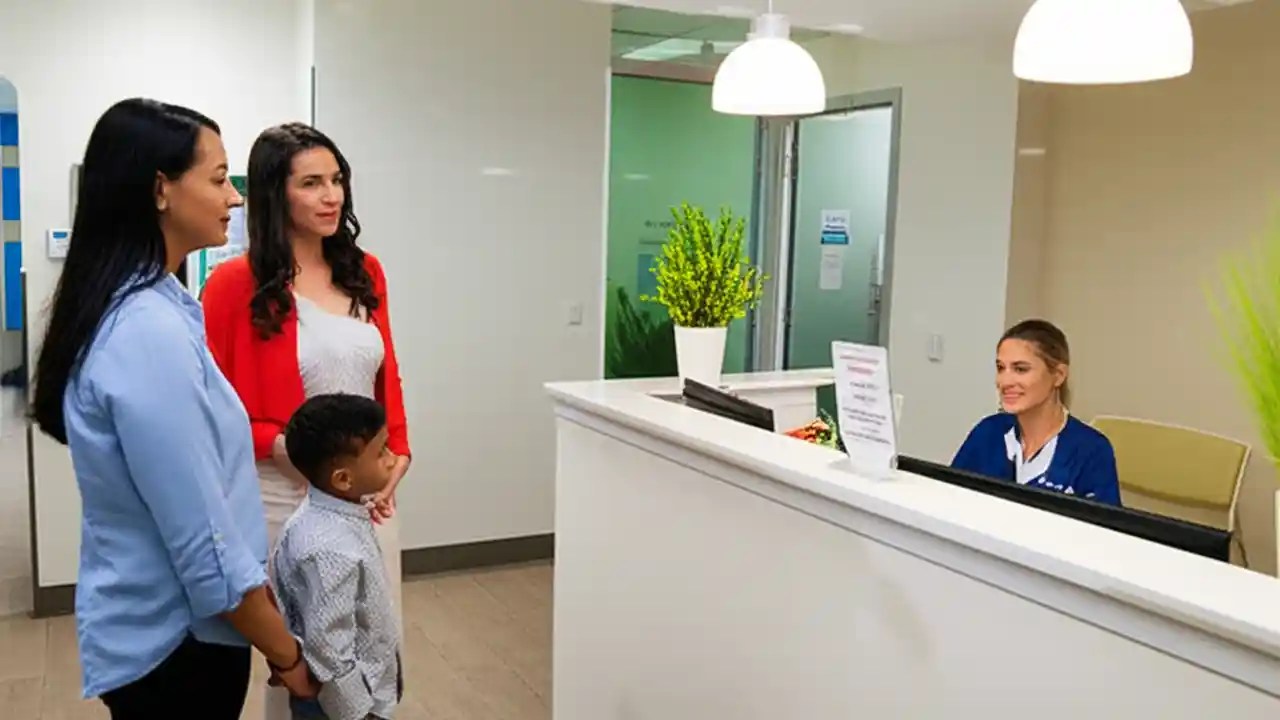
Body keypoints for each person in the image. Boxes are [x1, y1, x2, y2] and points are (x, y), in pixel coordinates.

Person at [29, 98, 316, 718]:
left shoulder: (157, 305)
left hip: (167, 631)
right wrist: (287, 655)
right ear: (161, 189)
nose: (234, 199)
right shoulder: (144, 334)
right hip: (176, 646)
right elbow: (204, 546)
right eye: (218, 180)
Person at [201, 122, 410, 718]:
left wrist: (397, 452)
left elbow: (386, 372)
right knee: (307, 658)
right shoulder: (233, 285)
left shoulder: (363, 270)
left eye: (337, 180)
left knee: (370, 640)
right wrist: (282, 443)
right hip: (280, 497)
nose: (331, 196)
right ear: (275, 193)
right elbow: (212, 412)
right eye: (312, 183)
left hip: (366, 494)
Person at [272, 394, 403, 720]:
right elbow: (328, 648)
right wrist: (358, 712)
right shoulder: (330, 548)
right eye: (381, 452)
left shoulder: (326, 513)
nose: (392, 459)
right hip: (341, 708)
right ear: (343, 479)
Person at [952, 319, 1121, 506]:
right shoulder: (988, 432)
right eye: (1001, 368)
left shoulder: (1092, 451)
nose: (1005, 381)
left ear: (1058, 375)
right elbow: (949, 499)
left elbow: (1101, 531)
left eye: (1020, 369)